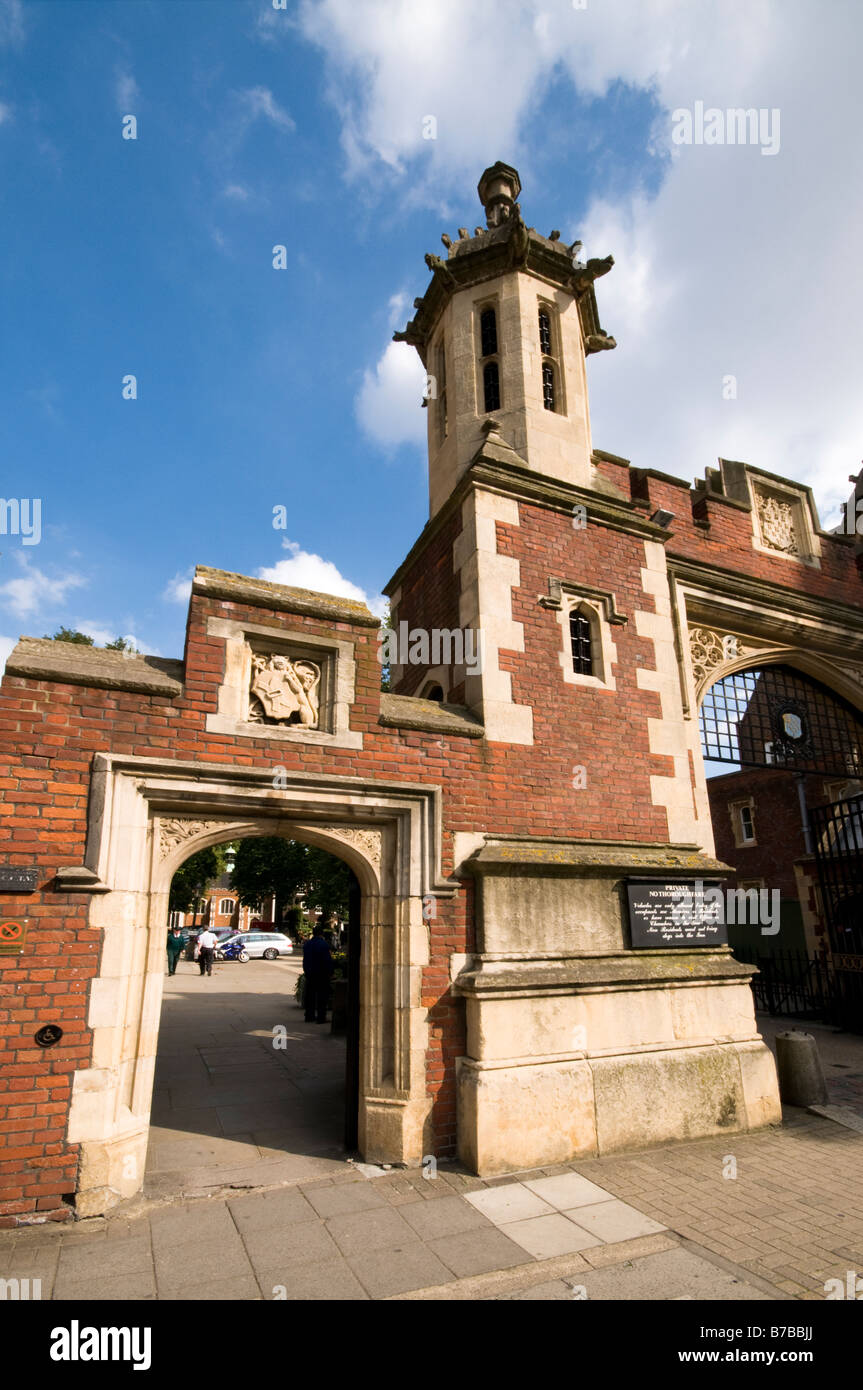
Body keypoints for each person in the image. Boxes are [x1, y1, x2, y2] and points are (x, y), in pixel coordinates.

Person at [302, 925, 334, 1023]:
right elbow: (327, 960)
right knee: (322, 996)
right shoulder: (324, 944)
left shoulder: (307, 944)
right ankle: (321, 1017)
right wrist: (330, 972)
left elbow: (305, 959)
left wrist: (306, 970)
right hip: (322, 974)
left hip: (310, 972)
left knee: (310, 995)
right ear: (321, 934)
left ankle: (309, 1016)